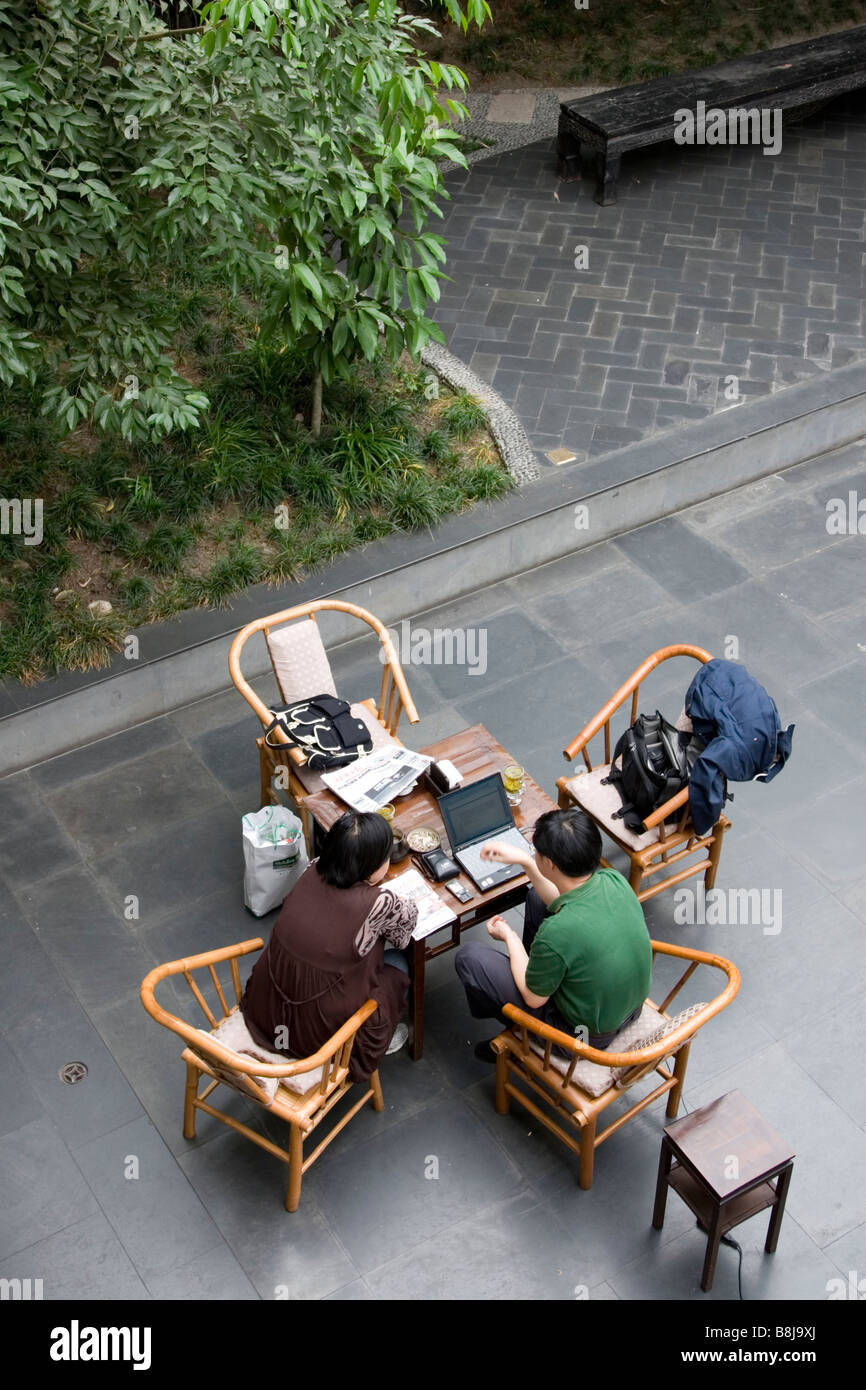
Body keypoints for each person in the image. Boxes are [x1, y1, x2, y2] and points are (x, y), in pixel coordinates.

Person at [454, 807, 652, 1062]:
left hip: (582, 1036)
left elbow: (533, 998)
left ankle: (520, 1031)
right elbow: (561, 899)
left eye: (536, 852)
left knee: (471, 958)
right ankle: (540, 972)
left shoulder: (558, 931)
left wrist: (510, 937)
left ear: (549, 863)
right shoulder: (613, 879)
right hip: (628, 1010)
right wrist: (526, 861)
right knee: (538, 899)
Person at [241, 810, 416, 1080]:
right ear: (370, 865)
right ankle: (379, 1037)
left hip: (267, 1011)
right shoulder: (378, 904)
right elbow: (405, 933)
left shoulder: (312, 869)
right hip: (317, 1038)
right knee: (400, 961)